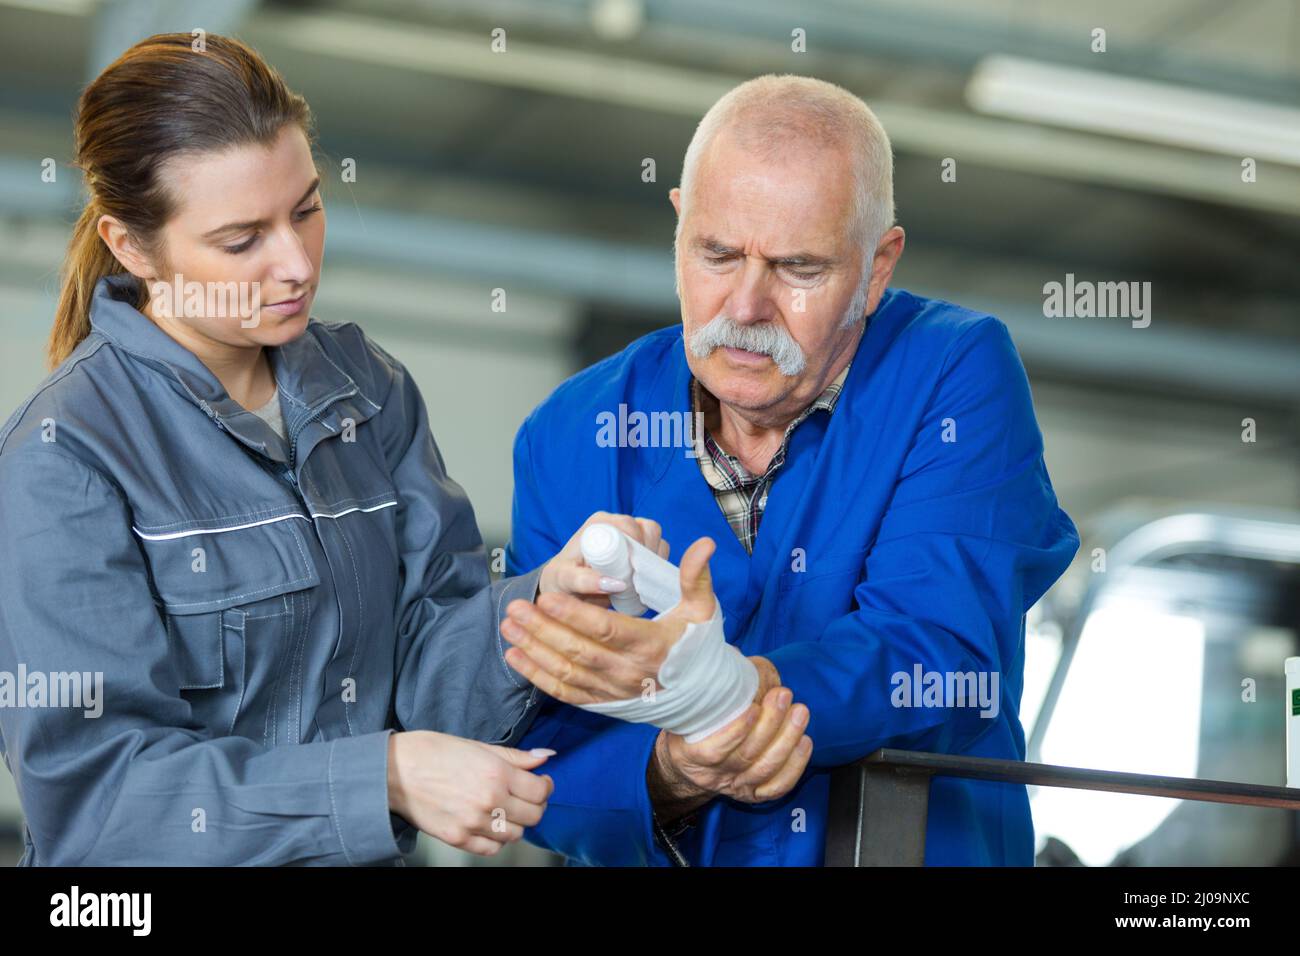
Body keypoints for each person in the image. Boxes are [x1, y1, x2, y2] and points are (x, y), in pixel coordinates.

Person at [0, 33, 664, 866]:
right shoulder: (64, 460)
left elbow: (429, 664)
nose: (296, 265)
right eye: (242, 240)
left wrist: (542, 610)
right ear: (133, 247)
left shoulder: (368, 389)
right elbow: (104, 806)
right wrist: (378, 774)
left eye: (307, 209)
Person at [501, 74, 1081, 866]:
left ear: (877, 267)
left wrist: (728, 697)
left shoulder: (952, 373)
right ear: (679, 228)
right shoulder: (571, 435)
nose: (743, 307)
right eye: (717, 253)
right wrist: (673, 769)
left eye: (798, 269)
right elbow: (535, 747)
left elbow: (937, 649)